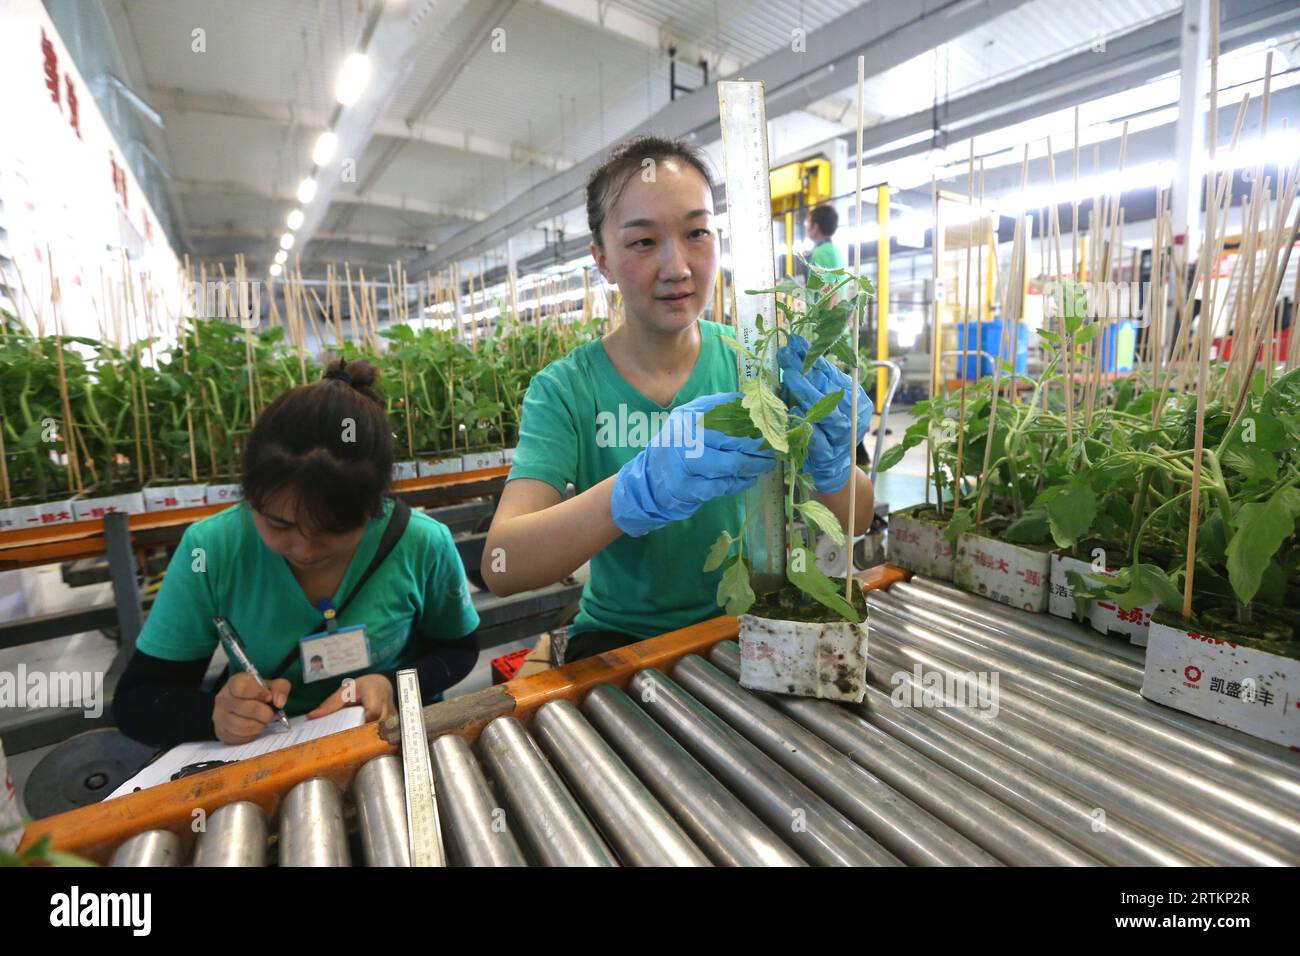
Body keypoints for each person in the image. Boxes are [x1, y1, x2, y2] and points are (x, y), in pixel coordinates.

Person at [482, 135, 874, 662]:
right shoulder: (566, 389)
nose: (677, 267)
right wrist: (631, 493)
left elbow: (857, 521)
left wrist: (832, 465)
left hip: (752, 624)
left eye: (696, 233)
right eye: (643, 242)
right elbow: (502, 564)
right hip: (620, 636)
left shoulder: (757, 364)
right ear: (602, 259)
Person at [114, 359, 480, 747]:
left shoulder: (422, 543)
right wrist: (214, 715)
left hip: (388, 741)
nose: (304, 549)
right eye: (279, 525)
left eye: (334, 531)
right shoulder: (211, 549)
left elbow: (458, 649)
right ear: (249, 496)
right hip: (270, 751)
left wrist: (392, 684)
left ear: (375, 507)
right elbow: (138, 702)